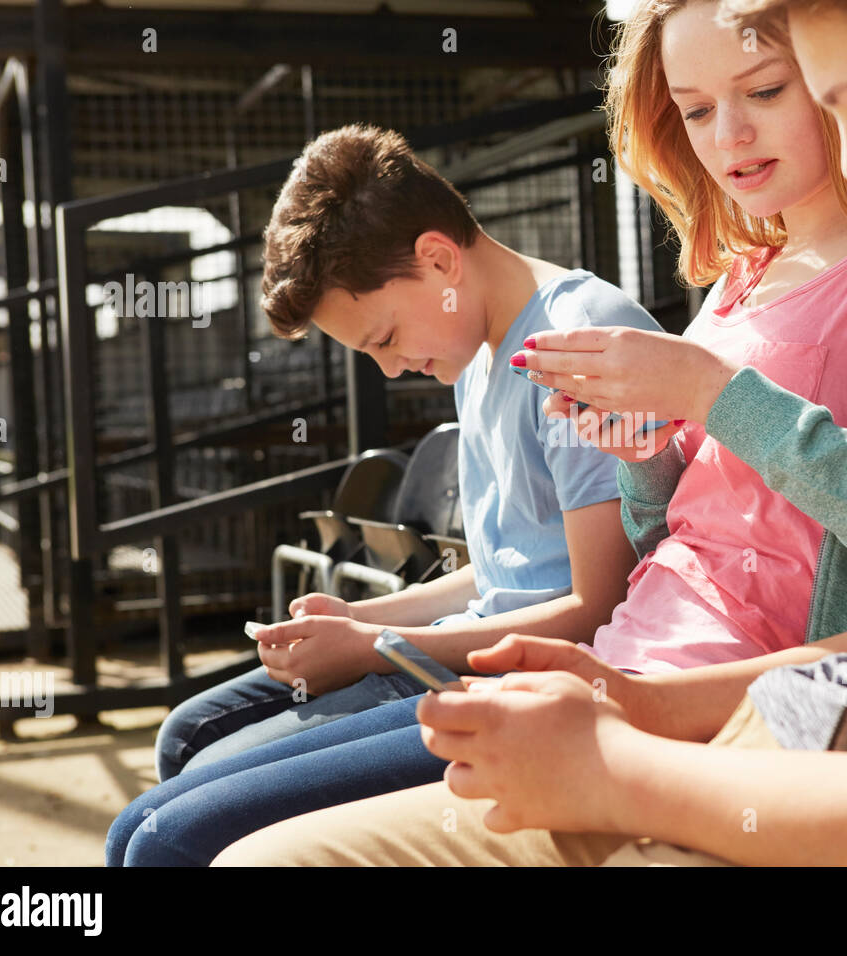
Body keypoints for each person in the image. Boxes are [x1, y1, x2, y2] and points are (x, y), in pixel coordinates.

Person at [214, 0, 847, 866]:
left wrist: (622, 757)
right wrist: (635, 690)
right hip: (767, 710)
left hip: (804, 755)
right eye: (706, 109)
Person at [149, 123, 654, 781]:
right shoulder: (475, 351)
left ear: (439, 260)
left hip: (520, 683)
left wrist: (373, 647)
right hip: (458, 655)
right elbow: (512, 571)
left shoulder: (576, 344)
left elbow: (598, 607)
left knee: (176, 820)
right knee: (183, 738)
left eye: (384, 338)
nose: (389, 370)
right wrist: (358, 618)